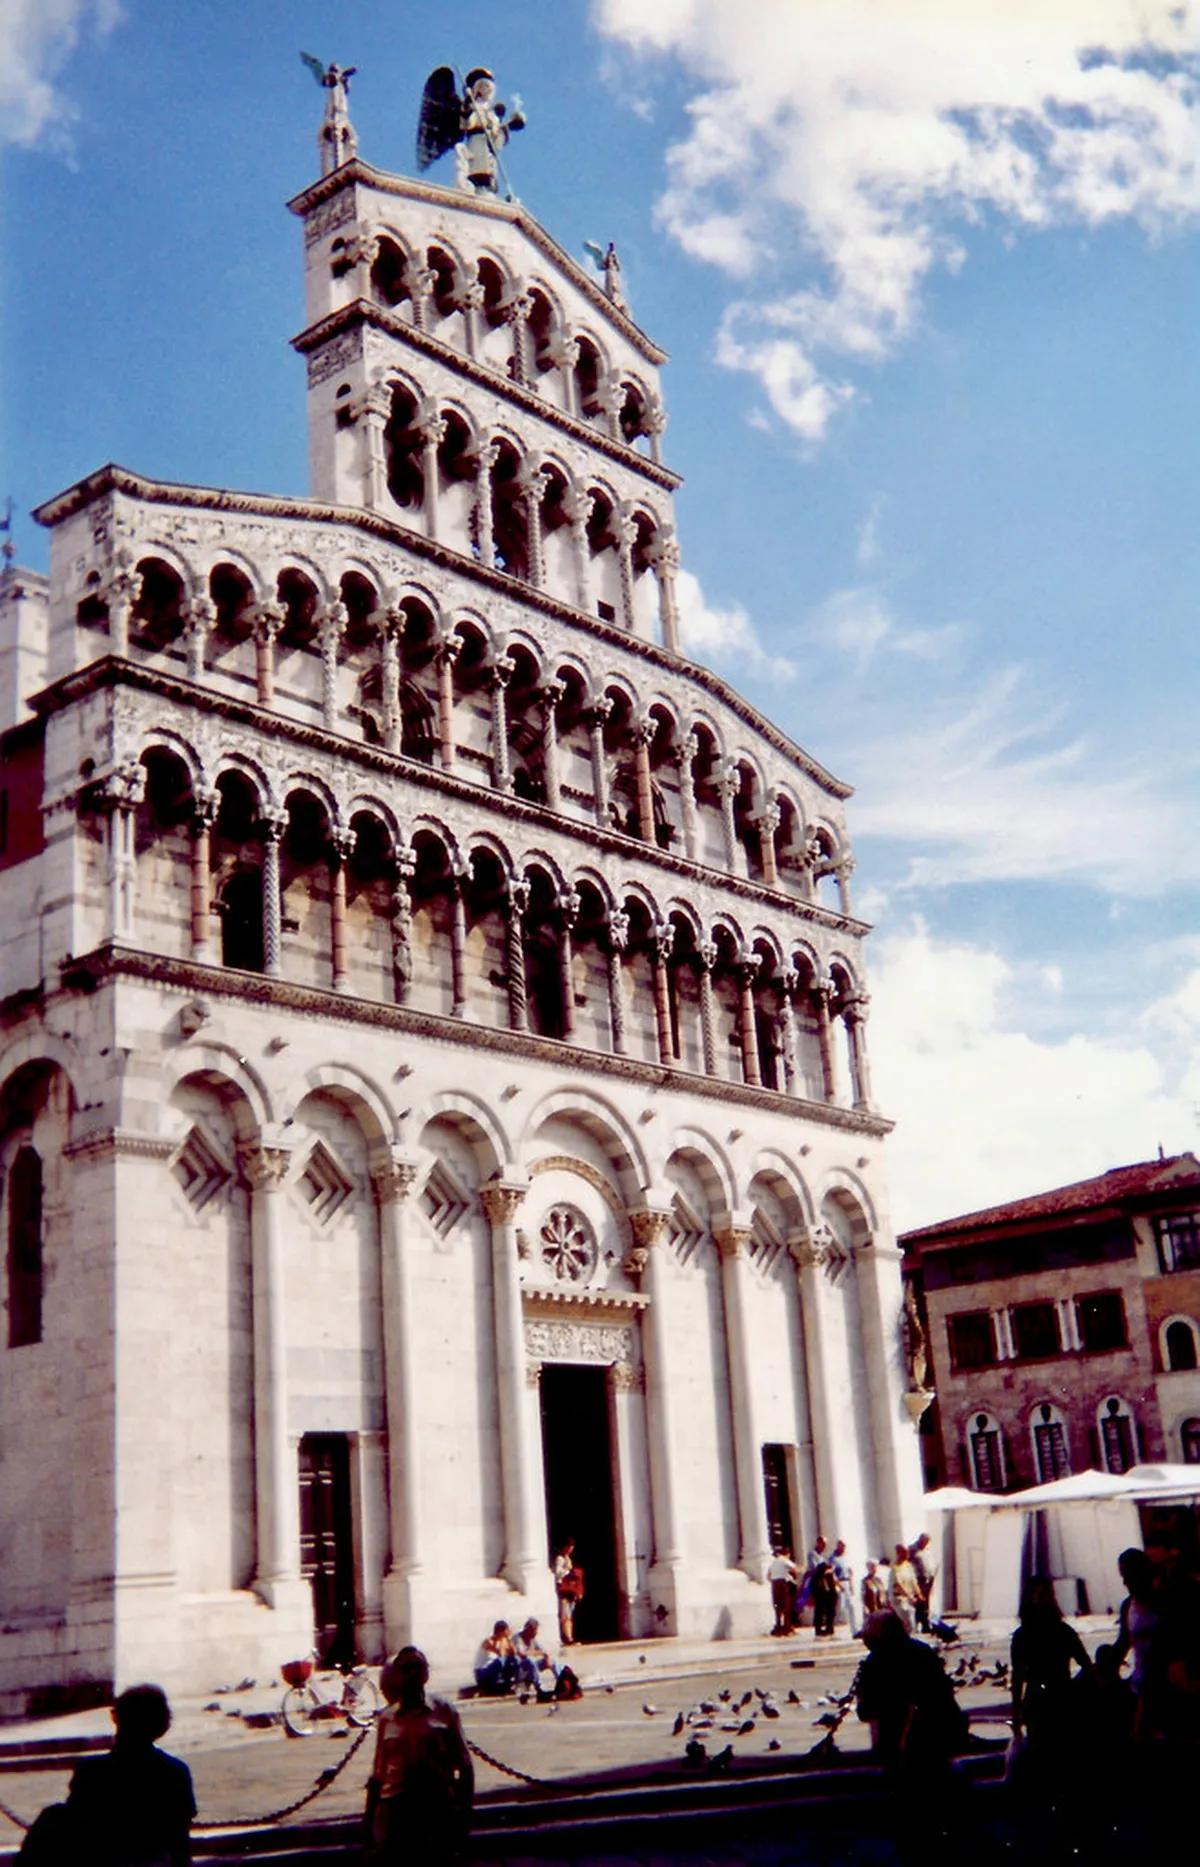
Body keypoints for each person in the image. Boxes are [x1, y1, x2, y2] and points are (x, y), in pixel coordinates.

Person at [62, 1683, 195, 1866]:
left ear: (116, 1718)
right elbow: (180, 1841)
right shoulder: (175, 1771)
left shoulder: (90, 1771)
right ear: (162, 1724)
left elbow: (75, 1833)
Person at [365, 1646, 473, 1865]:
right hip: (397, 1812)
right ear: (396, 1676)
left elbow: (464, 1766)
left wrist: (464, 1811)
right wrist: (369, 1820)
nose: (412, 1674)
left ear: (426, 1674)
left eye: (417, 1667)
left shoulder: (445, 1712)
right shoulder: (386, 1719)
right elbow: (378, 1774)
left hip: (436, 1806)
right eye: (405, 1669)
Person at [1112, 1546, 1167, 1741]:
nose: (1125, 1581)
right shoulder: (1128, 1606)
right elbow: (1123, 1642)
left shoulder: (1164, 1602)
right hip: (1140, 1686)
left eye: (1128, 1575)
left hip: (1165, 1688)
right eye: (1122, 1576)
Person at [513, 1617, 561, 1697]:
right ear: (528, 1629)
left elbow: (544, 1651)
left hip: (532, 1665)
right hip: (521, 1667)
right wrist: (538, 1653)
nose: (536, 1632)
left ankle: (560, 1680)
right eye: (534, 1630)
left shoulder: (533, 1639)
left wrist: (547, 1658)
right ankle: (539, 1686)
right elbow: (522, 1654)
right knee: (530, 1660)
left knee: (552, 1661)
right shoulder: (518, 1638)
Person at [472, 1620, 515, 1696]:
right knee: (500, 1661)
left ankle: (508, 1683)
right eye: (506, 1630)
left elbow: (514, 1653)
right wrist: (504, 1640)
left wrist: (509, 1640)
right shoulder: (488, 1641)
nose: (508, 1632)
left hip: (492, 1670)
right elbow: (501, 1655)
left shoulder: (503, 1641)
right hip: (482, 1672)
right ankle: (493, 1685)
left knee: (514, 1660)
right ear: (500, 1631)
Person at [554, 1539, 583, 1646]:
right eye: (569, 1546)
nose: (571, 1549)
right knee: (565, 1615)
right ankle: (567, 1638)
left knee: (569, 1615)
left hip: (571, 1590)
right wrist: (569, 1572)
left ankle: (569, 1636)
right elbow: (557, 1573)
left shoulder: (568, 1558)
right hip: (564, 1591)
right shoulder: (560, 1559)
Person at [888, 1543, 920, 1634]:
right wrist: (908, 1596)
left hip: (910, 1598)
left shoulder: (908, 1565)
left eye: (908, 1552)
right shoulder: (894, 1568)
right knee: (907, 1623)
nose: (907, 1555)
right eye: (905, 1552)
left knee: (912, 1624)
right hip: (899, 1599)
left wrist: (919, 1594)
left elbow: (913, 1581)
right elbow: (898, 1585)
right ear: (898, 1553)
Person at [831, 1539, 860, 1637]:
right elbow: (832, 1573)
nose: (842, 1548)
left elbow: (850, 1571)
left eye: (844, 1546)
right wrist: (837, 1584)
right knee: (840, 1608)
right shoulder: (833, 1558)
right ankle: (835, 1630)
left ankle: (854, 1630)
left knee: (851, 1606)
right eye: (841, 1545)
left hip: (848, 1582)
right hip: (840, 1583)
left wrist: (852, 1584)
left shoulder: (847, 1557)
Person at [767, 1547, 799, 1635]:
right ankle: (787, 1628)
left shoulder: (773, 1562)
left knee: (777, 1607)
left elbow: (768, 1576)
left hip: (774, 1584)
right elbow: (795, 1568)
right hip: (782, 1584)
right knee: (786, 1607)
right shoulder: (784, 1560)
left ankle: (778, 1628)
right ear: (787, 1554)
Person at [909, 1532, 935, 1633]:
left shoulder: (926, 1550)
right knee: (920, 1603)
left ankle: (926, 1624)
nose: (926, 1544)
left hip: (928, 1579)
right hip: (918, 1579)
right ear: (920, 1540)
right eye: (925, 1542)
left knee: (926, 1603)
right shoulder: (912, 1549)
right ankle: (919, 1624)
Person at [812, 1559, 839, 1638]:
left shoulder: (830, 1576)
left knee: (831, 1613)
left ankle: (829, 1629)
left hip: (830, 1596)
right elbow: (814, 1588)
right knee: (819, 1613)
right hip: (820, 1597)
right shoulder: (816, 1577)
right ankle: (818, 1630)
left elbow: (834, 1584)